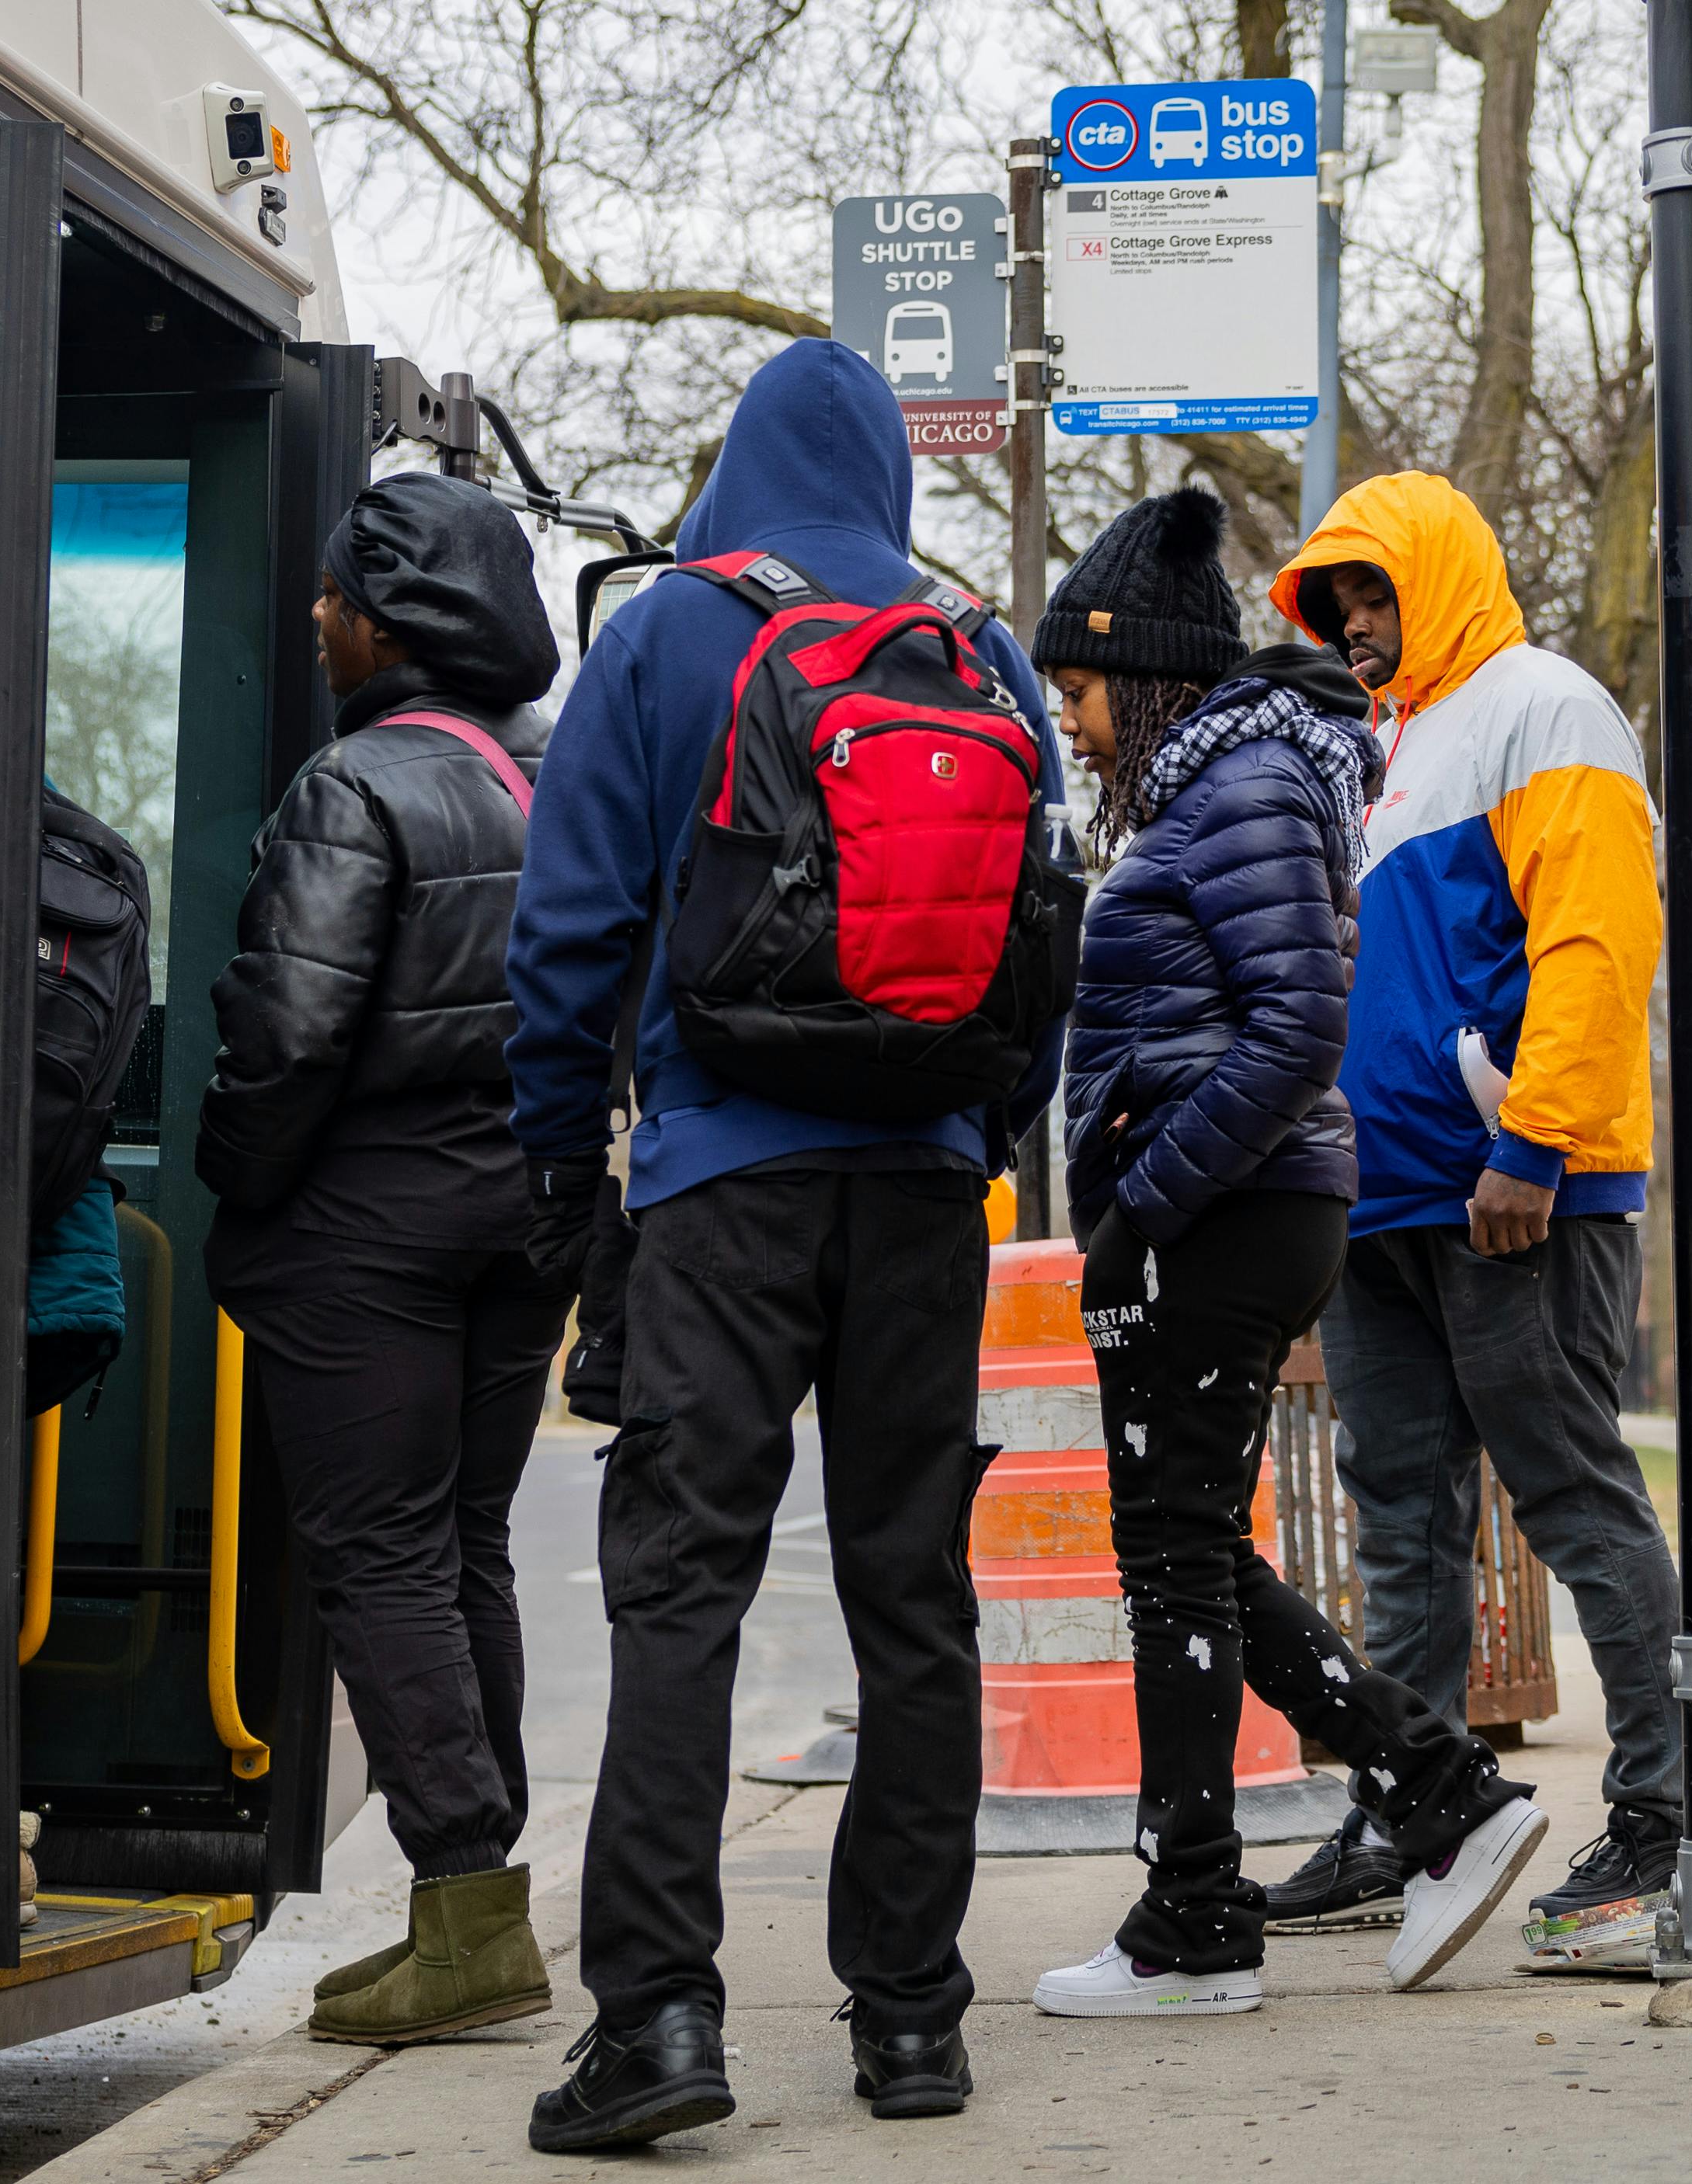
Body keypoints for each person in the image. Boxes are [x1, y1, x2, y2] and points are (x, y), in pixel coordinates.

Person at [501, 339, 1065, 2152]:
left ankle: (659, 2017)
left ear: (735, 464)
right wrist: (976, 1128)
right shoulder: (982, 652)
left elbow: (568, 927)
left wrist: (558, 1156)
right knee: (915, 1594)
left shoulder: (670, 629)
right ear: (892, 470)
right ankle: (911, 2019)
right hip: (923, 1188)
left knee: (682, 1589)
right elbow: (1044, 935)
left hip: (720, 1184)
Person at [1024, 489, 1550, 2019]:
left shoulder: (1241, 786)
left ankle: (1203, 1913)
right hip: (1238, 1209)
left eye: (1083, 687)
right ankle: (1424, 1797)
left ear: (1152, 677)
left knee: (1174, 1558)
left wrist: (1143, 1205)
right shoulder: (1226, 787)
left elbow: (1296, 1025)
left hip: (1226, 1214)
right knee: (1186, 1549)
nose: (1071, 721)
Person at [1255, 473, 1686, 1962]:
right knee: (1399, 1515)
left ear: (1435, 577)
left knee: (1570, 1493)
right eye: (1335, 603)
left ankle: (1670, 1817)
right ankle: (1411, 1813)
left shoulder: (1542, 708)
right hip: (1382, 1198)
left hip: (1517, 1187)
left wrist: (1537, 1141)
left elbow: (1598, 940)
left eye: (1372, 592)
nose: (1355, 623)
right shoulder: (1382, 753)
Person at [199, 470, 573, 2046]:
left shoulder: (350, 785)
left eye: (337, 594)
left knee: (384, 1552)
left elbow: (286, 1030)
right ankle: (474, 1905)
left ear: (393, 619)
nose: (317, 616)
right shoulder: (545, 781)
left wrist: (237, 1185)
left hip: (368, 1225)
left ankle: (468, 1905)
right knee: (468, 1538)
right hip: (522, 1213)